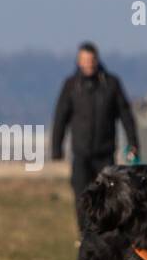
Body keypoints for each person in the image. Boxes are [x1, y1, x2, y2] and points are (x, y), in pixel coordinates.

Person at [51, 42, 139, 227]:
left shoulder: (111, 84)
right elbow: (61, 117)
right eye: (84, 60)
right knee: (82, 196)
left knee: (108, 196)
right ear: (78, 61)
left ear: (97, 60)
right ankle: (85, 236)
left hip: (105, 153)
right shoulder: (71, 86)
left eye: (91, 60)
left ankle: (105, 233)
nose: (88, 64)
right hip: (81, 153)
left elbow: (126, 115)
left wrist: (133, 144)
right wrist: (56, 148)